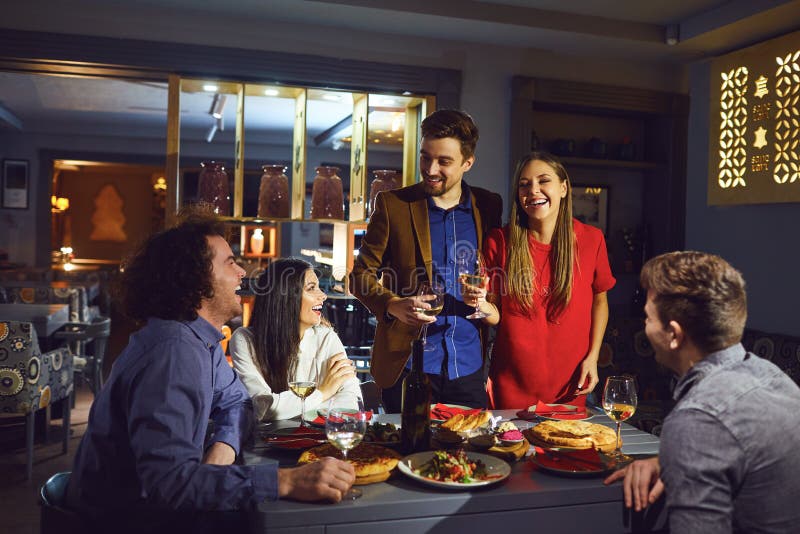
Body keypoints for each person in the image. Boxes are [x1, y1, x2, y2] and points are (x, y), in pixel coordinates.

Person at [66, 211, 355, 533]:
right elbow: (170, 486)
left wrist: (220, 453)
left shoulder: (199, 339)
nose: (243, 272)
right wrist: (285, 480)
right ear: (198, 278)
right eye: (230, 262)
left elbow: (237, 402)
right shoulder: (173, 354)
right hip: (129, 521)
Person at [604, 251, 800, 533]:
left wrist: (685, 447)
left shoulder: (696, 421)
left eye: (647, 317)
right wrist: (670, 461)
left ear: (673, 335)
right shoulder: (772, 377)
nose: (644, 326)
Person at [349, 109, 502, 412]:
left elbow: (494, 268)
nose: (431, 169)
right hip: (408, 365)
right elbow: (359, 276)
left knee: (468, 457)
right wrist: (393, 304)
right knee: (407, 454)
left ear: (467, 163)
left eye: (444, 161)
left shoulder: (488, 205)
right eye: (425, 157)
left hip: (468, 367)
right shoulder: (393, 205)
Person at [467, 151, 615, 409]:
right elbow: (495, 315)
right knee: (509, 450)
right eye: (524, 184)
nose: (533, 190)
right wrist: (479, 303)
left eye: (543, 181)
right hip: (510, 385)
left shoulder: (592, 239)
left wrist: (593, 357)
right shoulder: (499, 241)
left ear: (564, 187)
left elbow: (600, 301)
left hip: (570, 385)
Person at [229, 257, 360, 421]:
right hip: (267, 443)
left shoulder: (327, 338)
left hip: (320, 441)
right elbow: (264, 407)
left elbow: (351, 402)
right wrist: (324, 392)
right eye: (311, 288)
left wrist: (291, 408)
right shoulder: (245, 340)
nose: (323, 296)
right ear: (285, 297)